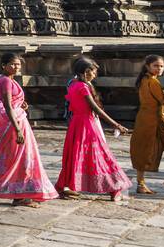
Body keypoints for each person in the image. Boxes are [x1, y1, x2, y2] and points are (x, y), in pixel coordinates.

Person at [0, 53, 58, 207]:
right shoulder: (6, 81)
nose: (16, 67)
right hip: (14, 123)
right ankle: (18, 195)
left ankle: (11, 191)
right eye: (12, 64)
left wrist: (20, 105)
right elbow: (7, 106)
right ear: (3, 65)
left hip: (13, 119)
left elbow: (11, 103)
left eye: (18, 64)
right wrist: (17, 130)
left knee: (13, 158)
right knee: (20, 158)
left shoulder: (3, 79)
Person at [56, 56, 131, 201]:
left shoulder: (72, 84)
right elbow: (96, 109)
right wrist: (115, 124)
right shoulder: (84, 87)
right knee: (101, 156)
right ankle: (114, 187)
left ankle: (63, 186)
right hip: (87, 124)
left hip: (76, 124)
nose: (95, 75)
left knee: (74, 156)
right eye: (93, 72)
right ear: (86, 71)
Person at [129, 54, 164, 196]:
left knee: (142, 150)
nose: (159, 68)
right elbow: (163, 102)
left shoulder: (146, 79)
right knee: (144, 151)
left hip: (149, 120)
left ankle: (141, 184)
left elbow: (153, 105)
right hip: (152, 122)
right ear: (148, 66)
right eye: (156, 66)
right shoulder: (152, 82)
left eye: (161, 66)